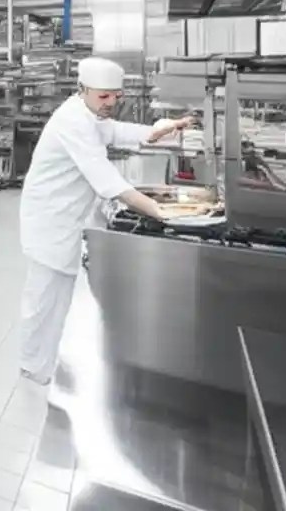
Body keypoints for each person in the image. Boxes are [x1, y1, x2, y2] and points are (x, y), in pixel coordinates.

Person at [17, 57, 193, 385]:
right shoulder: (72, 120)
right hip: (49, 219)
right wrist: (162, 212)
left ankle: (43, 361)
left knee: (57, 296)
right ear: (82, 89)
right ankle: (32, 366)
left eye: (116, 96)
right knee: (42, 297)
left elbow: (117, 131)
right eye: (104, 96)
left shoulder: (90, 113)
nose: (111, 103)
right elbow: (106, 180)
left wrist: (162, 128)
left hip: (66, 218)